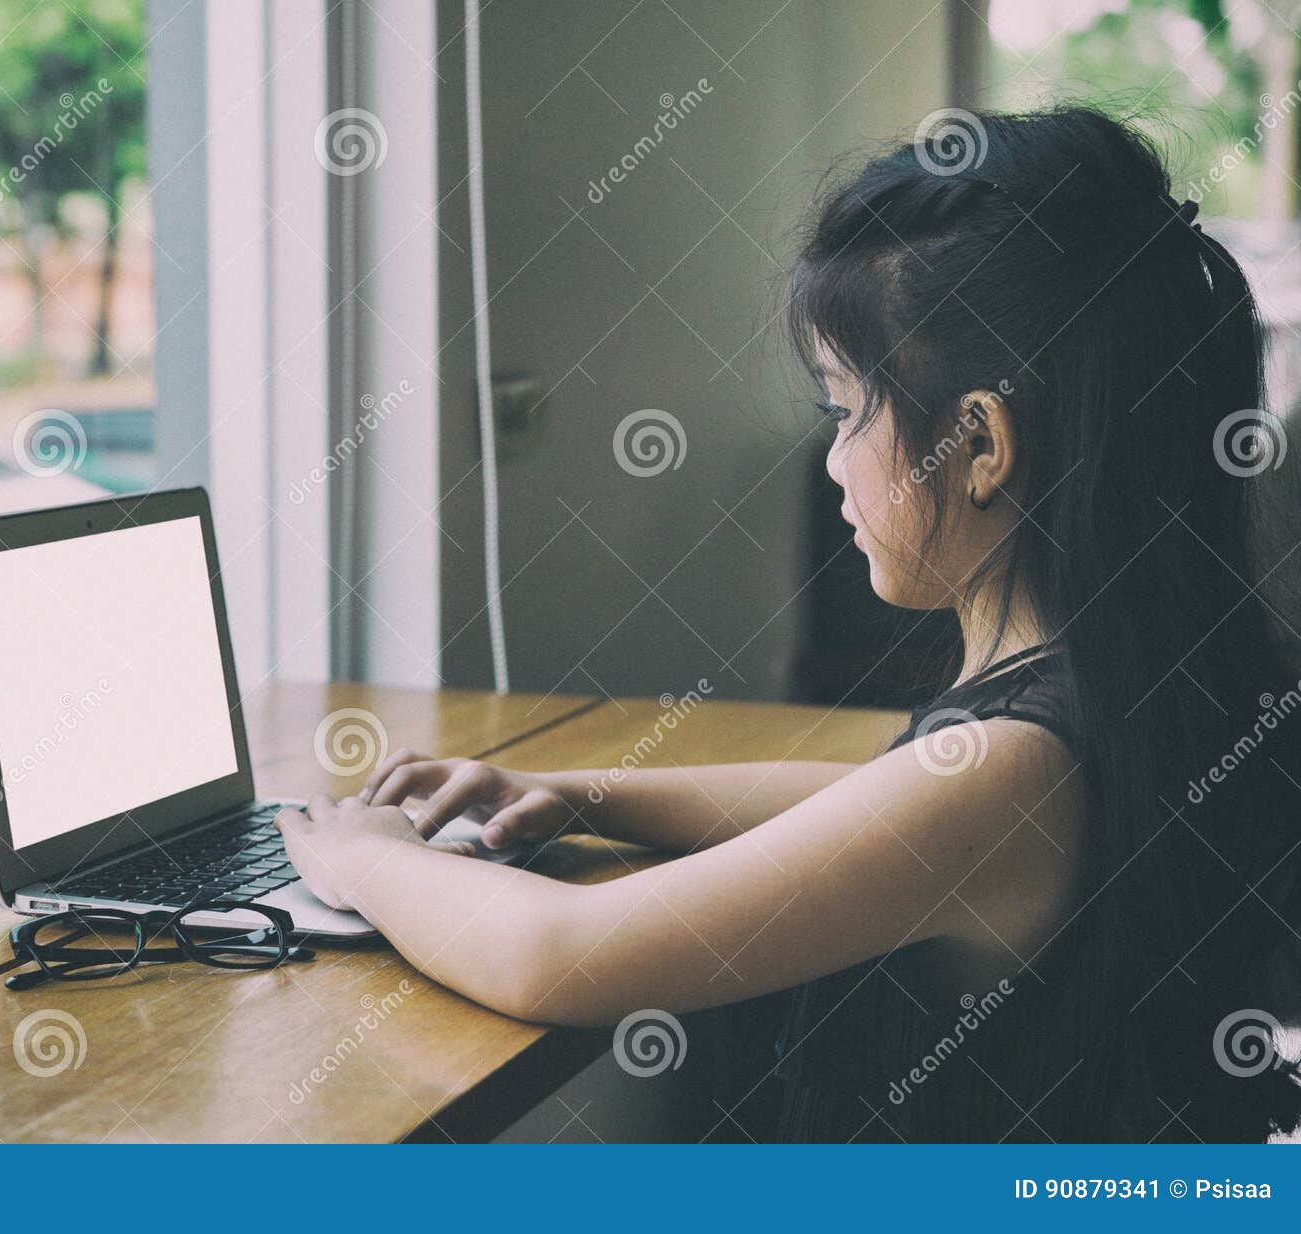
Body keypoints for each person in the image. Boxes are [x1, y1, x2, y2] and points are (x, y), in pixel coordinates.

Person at [277, 106, 1301, 1142]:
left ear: (979, 444)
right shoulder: (1129, 678)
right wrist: (583, 793)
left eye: (844, 409)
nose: (832, 460)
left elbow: (559, 954)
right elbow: (866, 808)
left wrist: (365, 856)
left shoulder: (1013, 772)